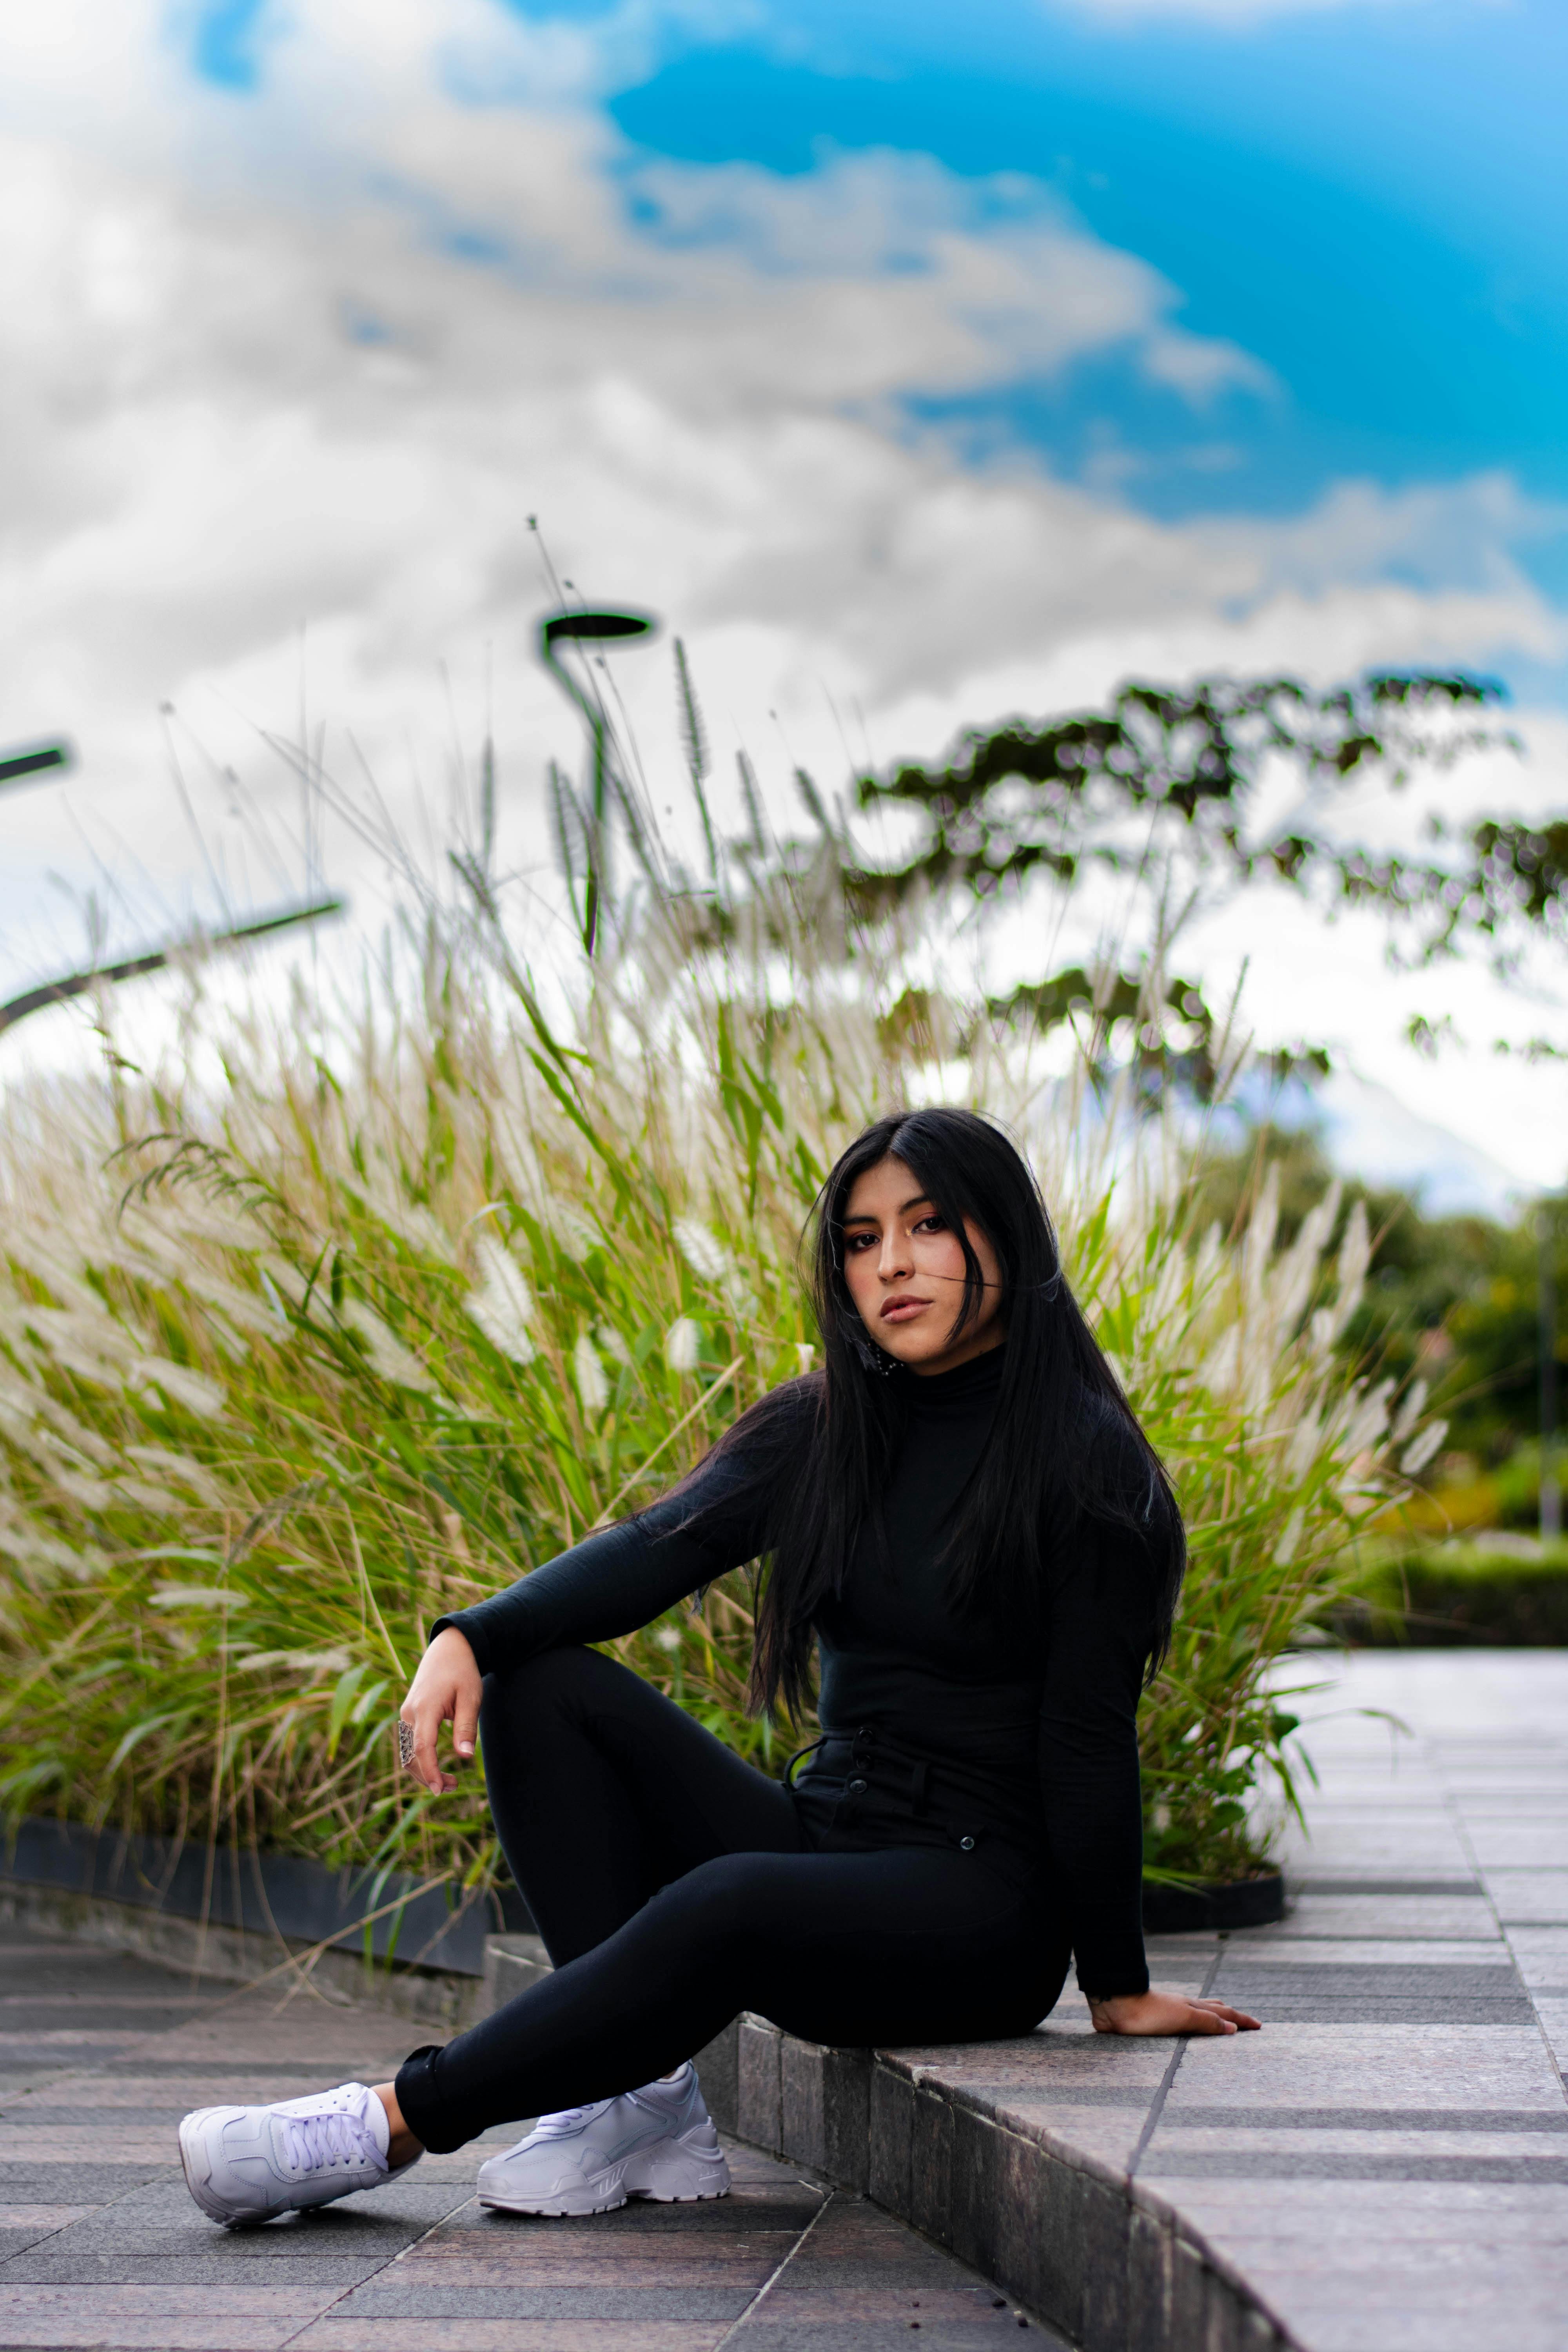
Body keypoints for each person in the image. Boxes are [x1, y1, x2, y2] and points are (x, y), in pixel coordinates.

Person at [178, 1107, 1258, 2228]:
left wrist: (1118, 1986)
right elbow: (657, 1548)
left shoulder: (1090, 1469)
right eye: (859, 1237)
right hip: (828, 1835)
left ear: (1005, 1238)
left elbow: (1087, 1737)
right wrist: (472, 1634)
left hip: (982, 1909)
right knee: (542, 1689)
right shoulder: (827, 1428)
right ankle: (635, 2100)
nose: (890, 1263)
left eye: (929, 1226)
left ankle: (384, 2125)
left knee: (730, 1902)